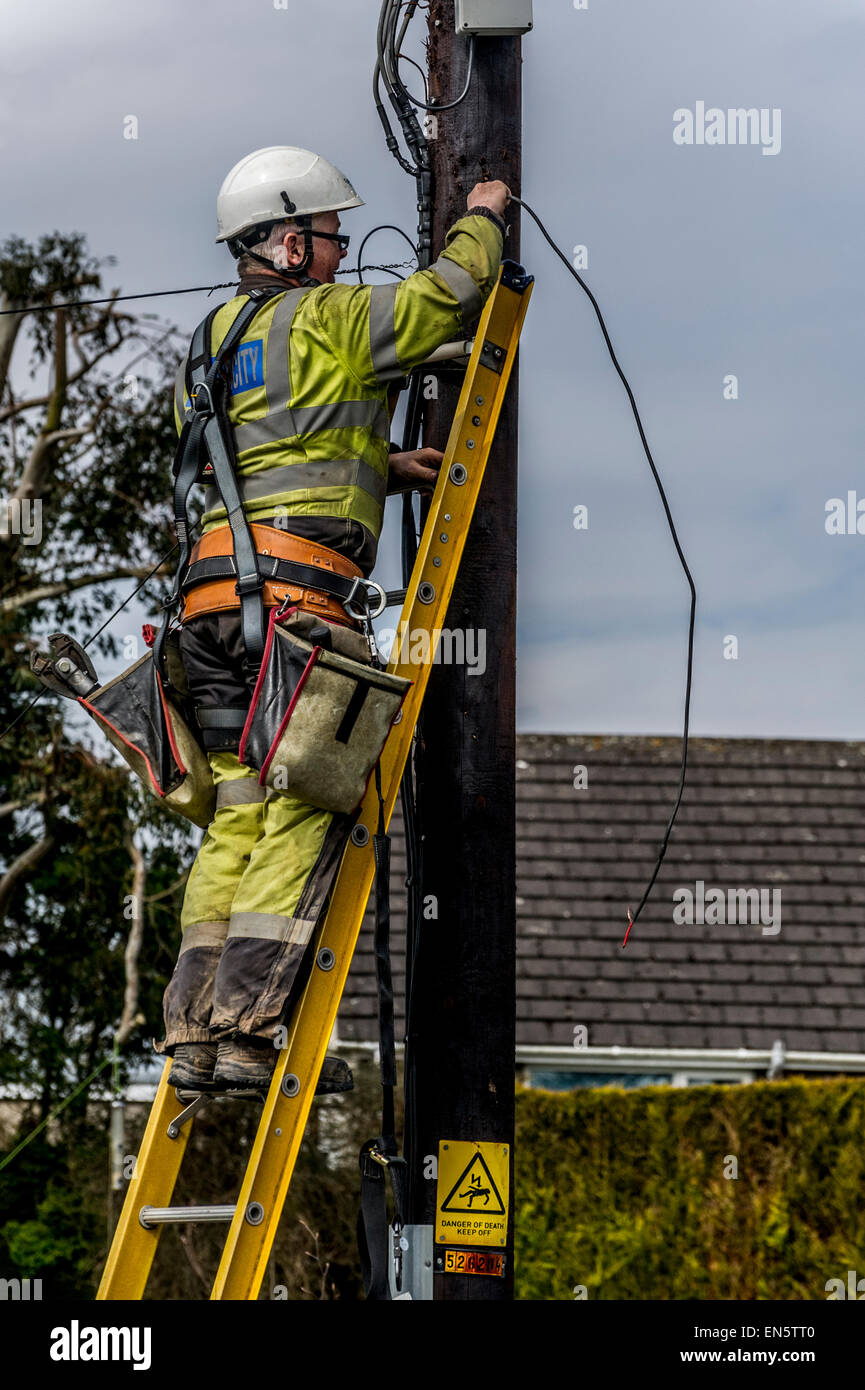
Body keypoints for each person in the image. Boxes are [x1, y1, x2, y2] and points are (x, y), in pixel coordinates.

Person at [157, 145, 510, 1092]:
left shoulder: (212, 338)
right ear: (283, 241)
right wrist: (483, 209)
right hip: (297, 610)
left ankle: (191, 1035)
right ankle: (243, 1032)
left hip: (209, 613)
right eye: (328, 236)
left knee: (235, 813)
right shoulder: (333, 317)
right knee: (303, 803)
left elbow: (271, 449)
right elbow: (448, 293)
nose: (343, 252)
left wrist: (376, 465)